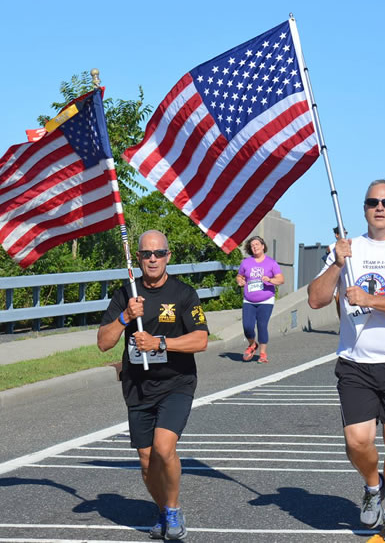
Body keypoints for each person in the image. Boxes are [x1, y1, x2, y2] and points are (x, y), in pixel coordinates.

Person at [307, 180, 385, 542]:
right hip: (356, 362)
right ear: (364, 209)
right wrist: (337, 263)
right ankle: (372, 485)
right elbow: (316, 300)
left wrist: (369, 298)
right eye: (372, 202)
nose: (379, 207)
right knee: (357, 441)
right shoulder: (347, 248)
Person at [97, 230, 209, 540]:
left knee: (163, 448)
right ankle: (162, 509)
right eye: (146, 254)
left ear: (168, 256)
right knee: (147, 462)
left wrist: (160, 343)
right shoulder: (126, 294)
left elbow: (201, 340)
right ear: (138, 258)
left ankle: (173, 510)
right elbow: (103, 343)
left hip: (176, 383)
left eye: (158, 253)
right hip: (138, 386)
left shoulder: (184, 294)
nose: (153, 259)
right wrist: (124, 317)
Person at [236, 236, 284, 363]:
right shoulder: (246, 263)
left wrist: (270, 280)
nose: (255, 247)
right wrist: (240, 281)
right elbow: (239, 276)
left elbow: (280, 279)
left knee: (262, 325)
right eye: (252, 245)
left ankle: (262, 354)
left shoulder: (271, 263)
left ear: (263, 246)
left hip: (266, 300)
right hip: (249, 300)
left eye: (257, 244)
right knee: (247, 326)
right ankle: (252, 344)